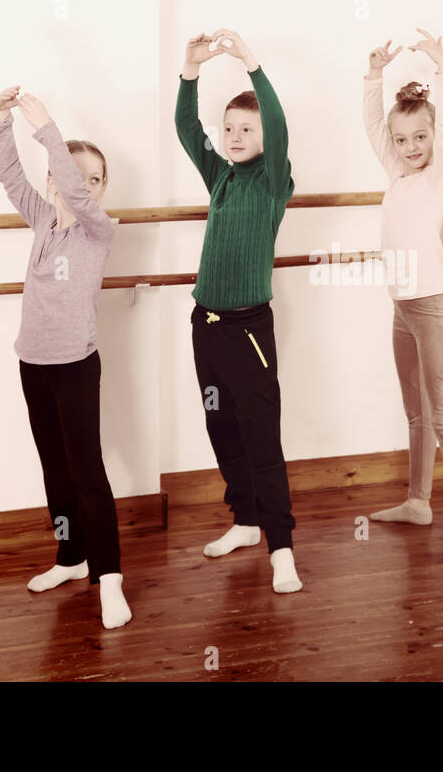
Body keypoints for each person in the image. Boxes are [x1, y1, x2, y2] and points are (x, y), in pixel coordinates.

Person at [0, 86, 131, 629]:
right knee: (54, 470)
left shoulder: (98, 231)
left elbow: (76, 190)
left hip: (76, 365)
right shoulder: (42, 220)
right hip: (33, 363)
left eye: (93, 179)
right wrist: (0, 121)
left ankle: (109, 577)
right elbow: (9, 176)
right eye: (71, 175)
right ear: (51, 180)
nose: (80, 185)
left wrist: (48, 129)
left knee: (86, 470)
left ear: (99, 191)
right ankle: (71, 558)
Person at [175, 29, 303, 592]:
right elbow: (187, 130)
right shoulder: (221, 176)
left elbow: (276, 124)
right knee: (221, 427)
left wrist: (251, 62)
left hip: (250, 329)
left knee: (261, 438)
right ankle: (246, 521)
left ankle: (282, 548)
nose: (234, 137)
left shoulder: (272, 180)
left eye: (245, 130)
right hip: (207, 325)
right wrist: (189, 70)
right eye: (229, 129)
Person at [363, 32, 443, 566]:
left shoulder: (438, 178)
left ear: (433, 139)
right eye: (403, 139)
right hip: (402, 308)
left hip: (432, 305)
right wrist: (373, 77)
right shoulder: (396, 174)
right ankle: (417, 501)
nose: (411, 147)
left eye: (420, 138)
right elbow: (372, 127)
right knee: (416, 412)